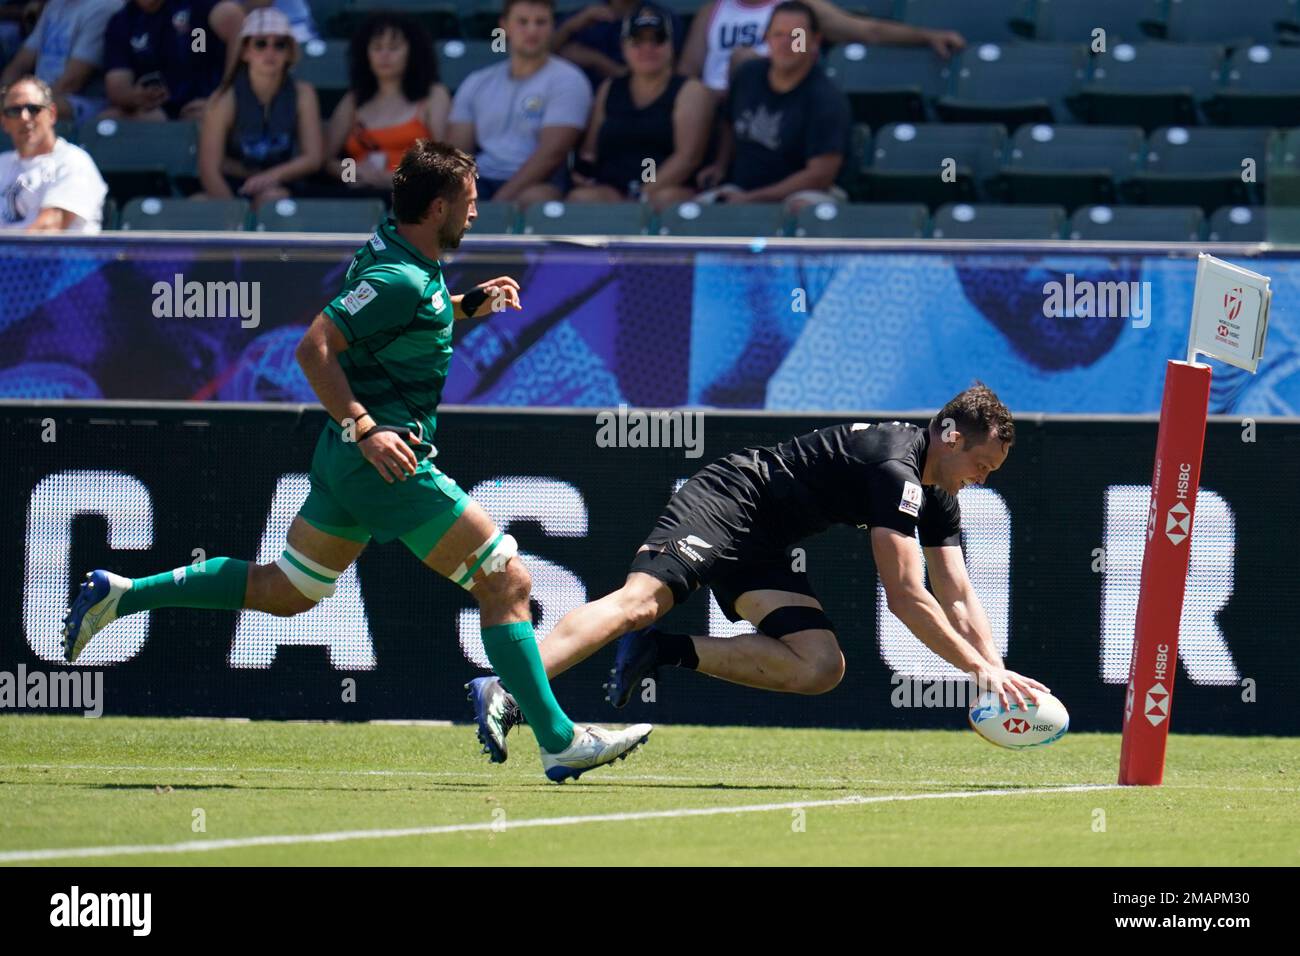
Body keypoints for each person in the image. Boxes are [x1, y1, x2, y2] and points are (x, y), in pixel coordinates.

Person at [60, 139, 652, 784]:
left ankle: (120, 595)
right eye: (469, 204)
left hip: (350, 467)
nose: (476, 215)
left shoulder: (404, 259)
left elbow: (405, 323)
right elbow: (315, 348)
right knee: (506, 581)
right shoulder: (394, 275)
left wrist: (464, 308)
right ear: (435, 208)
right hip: (385, 462)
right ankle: (557, 737)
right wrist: (365, 427)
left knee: (286, 591)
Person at [468, 383, 1051, 763]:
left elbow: (957, 591)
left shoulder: (934, 490)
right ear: (949, 436)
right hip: (727, 499)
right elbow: (906, 596)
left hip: (763, 544)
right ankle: (506, 684)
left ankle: (661, 651)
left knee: (820, 666)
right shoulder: (895, 467)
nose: (983, 477)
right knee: (639, 602)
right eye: (981, 464)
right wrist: (976, 668)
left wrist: (999, 673)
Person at [694, 1, 849, 212]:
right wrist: (720, 165)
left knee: (800, 208)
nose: (786, 43)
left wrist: (752, 199)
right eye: (778, 34)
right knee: (693, 213)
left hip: (805, 194)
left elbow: (820, 175)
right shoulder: (747, 75)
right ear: (766, 38)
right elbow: (729, 123)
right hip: (743, 189)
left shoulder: (826, 98)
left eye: (796, 37)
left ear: (814, 41)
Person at [567, 2, 712, 211]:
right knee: (581, 199)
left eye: (657, 39)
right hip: (612, 189)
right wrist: (582, 174)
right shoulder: (609, 89)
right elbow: (590, 151)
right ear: (624, 47)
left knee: (665, 200)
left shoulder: (690, 90)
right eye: (638, 40)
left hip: (668, 189)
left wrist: (642, 195)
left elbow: (687, 158)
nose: (648, 48)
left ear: (671, 45)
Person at [447, 0, 591, 204]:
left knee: (535, 199)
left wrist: (498, 202)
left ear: (553, 26)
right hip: (482, 177)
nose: (532, 30)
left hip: (540, 181)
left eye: (541, 22)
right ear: (504, 25)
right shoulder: (477, 81)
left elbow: (553, 153)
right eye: (522, 22)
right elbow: (457, 149)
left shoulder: (569, 80)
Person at [682, 0, 965, 95]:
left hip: (773, 101)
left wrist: (926, 35)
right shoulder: (713, 10)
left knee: (746, 61)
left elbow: (868, 31)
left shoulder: (798, 8)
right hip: (713, 111)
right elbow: (687, 71)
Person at [196, 6, 321, 209]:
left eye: (279, 45)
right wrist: (234, 216)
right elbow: (209, 170)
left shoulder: (304, 94)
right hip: (233, 183)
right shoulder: (223, 100)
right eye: (260, 44)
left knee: (273, 199)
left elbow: (313, 158)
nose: (270, 52)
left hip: (283, 182)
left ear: (289, 52)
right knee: (197, 204)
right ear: (245, 51)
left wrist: (271, 176)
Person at [321, 11, 450, 199]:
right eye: (377, 47)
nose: (384, 55)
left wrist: (397, 178)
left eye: (394, 47)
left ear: (412, 52)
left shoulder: (433, 95)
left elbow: (447, 159)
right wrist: (353, 173)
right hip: (360, 195)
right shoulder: (353, 101)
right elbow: (327, 160)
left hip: (416, 198)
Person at [0, 75, 107, 231]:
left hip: (51, 255)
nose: (24, 117)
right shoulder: (3, 163)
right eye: (15, 111)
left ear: (52, 114)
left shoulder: (73, 161)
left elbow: (49, 227)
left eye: (33, 109)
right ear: (3, 121)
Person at [0, 0, 125, 125]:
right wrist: (4, 94)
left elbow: (71, 83)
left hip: (84, 101)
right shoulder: (55, 4)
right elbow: (19, 65)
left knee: (22, 109)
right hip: (40, 96)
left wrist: (18, 103)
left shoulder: (104, 6)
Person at [100, 0, 228, 121]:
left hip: (203, 100)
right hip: (156, 108)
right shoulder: (123, 21)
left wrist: (219, 99)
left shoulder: (198, 5)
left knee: (207, 117)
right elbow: (117, 85)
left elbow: (236, 28)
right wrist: (137, 96)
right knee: (106, 120)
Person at [552, 0, 684, 88]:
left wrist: (596, 60)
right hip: (575, 101)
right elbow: (539, 55)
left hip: (631, 107)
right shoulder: (584, 15)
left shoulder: (662, 18)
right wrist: (568, 28)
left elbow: (659, 78)